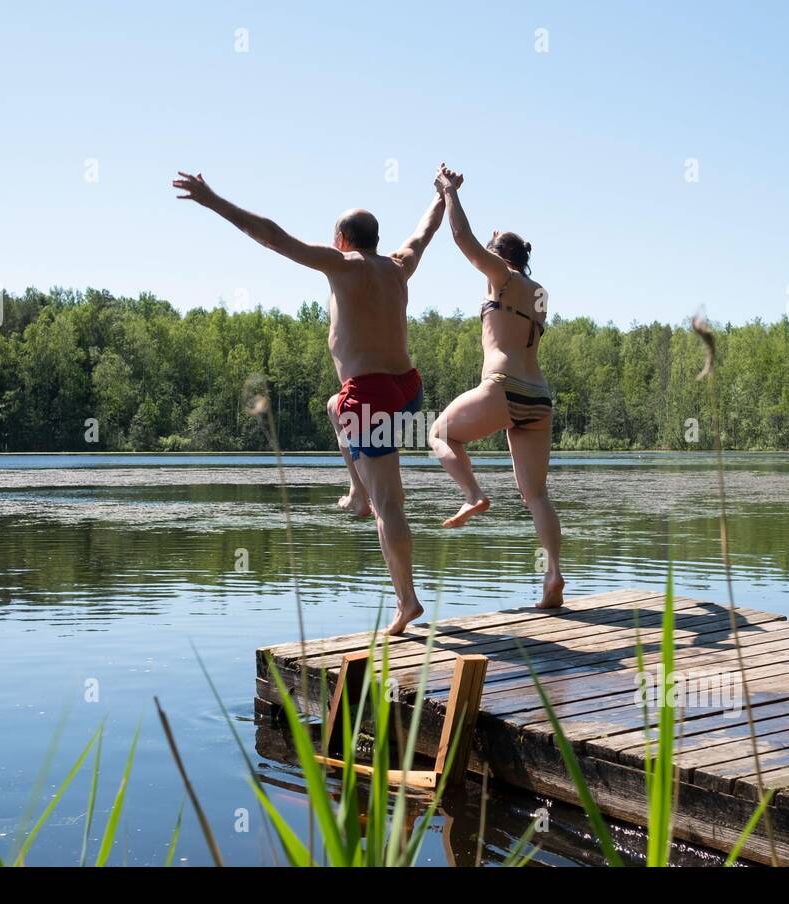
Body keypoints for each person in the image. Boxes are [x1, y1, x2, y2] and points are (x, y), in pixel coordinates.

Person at [173, 171, 444, 633]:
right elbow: (425, 231)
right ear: (375, 238)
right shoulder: (399, 265)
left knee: (390, 506)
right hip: (406, 388)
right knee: (332, 406)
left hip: (373, 394)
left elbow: (273, 237)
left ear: (341, 239)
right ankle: (358, 491)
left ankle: (407, 602)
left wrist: (211, 199)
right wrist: (442, 196)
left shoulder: (344, 265)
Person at [427, 164, 564, 609]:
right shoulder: (541, 291)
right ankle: (554, 578)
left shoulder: (503, 278)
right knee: (536, 494)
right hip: (538, 397)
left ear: (500, 260)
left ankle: (475, 495)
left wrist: (450, 193)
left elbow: (462, 241)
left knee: (439, 433)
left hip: (503, 385)